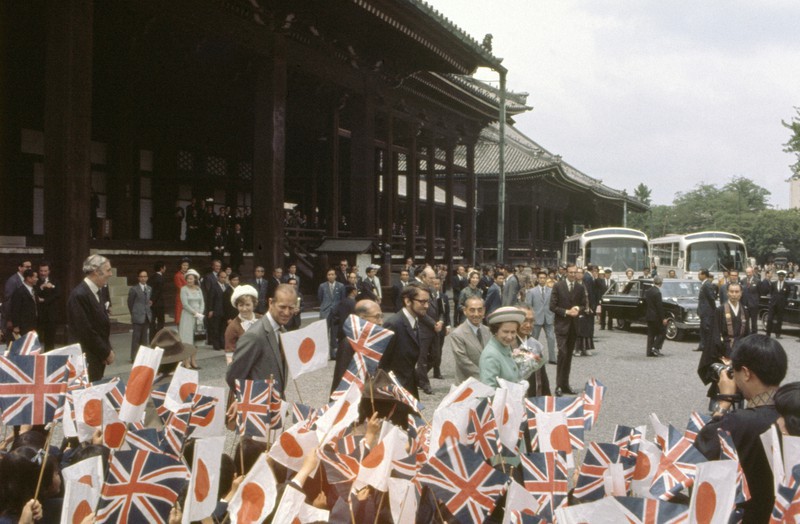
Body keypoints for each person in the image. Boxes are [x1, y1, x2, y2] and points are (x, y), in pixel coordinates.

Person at [694, 334, 787, 523]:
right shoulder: (791, 413)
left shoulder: (737, 423)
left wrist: (725, 400)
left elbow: (702, 451)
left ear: (745, 373)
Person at [226, 283, 297, 397]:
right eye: (282, 307)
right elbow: (233, 376)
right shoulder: (255, 335)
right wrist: (249, 400)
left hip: (276, 404)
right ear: (271, 303)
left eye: (291, 308)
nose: (287, 312)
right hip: (258, 408)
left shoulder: (282, 330)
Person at [699, 282, 750, 404]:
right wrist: (719, 354)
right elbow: (715, 333)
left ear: (741, 293)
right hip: (724, 350)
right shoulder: (720, 310)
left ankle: (739, 407)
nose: (734, 294)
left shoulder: (745, 311)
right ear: (727, 293)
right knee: (721, 381)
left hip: (741, 351)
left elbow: (747, 334)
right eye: (731, 292)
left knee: (740, 382)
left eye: (737, 292)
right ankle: (716, 408)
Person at [379, 282, 431, 399]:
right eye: (422, 302)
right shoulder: (394, 324)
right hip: (395, 391)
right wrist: (393, 389)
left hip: (409, 387)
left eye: (428, 301)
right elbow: (382, 363)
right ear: (407, 301)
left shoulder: (415, 320)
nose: (426, 306)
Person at [67, 254, 115, 381]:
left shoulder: (98, 292)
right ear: (96, 272)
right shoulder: (79, 295)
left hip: (97, 356)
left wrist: (107, 349)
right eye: (108, 270)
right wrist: (106, 352)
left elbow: (101, 325)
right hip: (86, 357)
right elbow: (86, 331)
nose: (110, 274)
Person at [549, 263, 588, 396]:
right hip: (561, 325)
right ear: (566, 272)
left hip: (574, 326)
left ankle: (565, 384)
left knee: (569, 356)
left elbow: (583, 304)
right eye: (570, 272)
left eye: (575, 272)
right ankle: (558, 385)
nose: (572, 274)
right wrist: (567, 312)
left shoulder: (580, 287)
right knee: (562, 353)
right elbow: (552, 306)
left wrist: (577, 309)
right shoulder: (558, 286)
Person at [331, 299, 383, 394]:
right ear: (362, 318)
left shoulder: (374, 340)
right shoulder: (349, 343)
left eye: (381, 317)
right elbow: (341, 378)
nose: (381, 322)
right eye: (377, 317)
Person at [443, 296, 491, 384]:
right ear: (465, 311)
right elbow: (463, 362)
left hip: (487, 382)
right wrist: (485, 376)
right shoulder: (458, 334)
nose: (476, 314)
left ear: (484, 311)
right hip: (468, 383)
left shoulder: (488, 331)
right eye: (472, 310)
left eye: (480, 310)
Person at [479, 306, 527, 388]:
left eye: (513, 332)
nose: (509, 337)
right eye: (505, 332)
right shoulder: (490, 355)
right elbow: (488, 393)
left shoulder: (504, 346)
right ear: (495, 330)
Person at [516, 303, 551, 396]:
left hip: (536, 396)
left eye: (531, 321)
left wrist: (547, 397)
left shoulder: (534, 344)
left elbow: (543, 376)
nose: (528, 325)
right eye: (524, 321)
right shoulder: (510, 345)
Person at [224, 284, 260, 366]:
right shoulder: (232, 327)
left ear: (254, 304)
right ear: (236, 306)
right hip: (243, 365)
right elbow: (229, 352)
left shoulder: (262, 320)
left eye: (247, 305)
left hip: (261, 364)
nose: (244, 309)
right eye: (241, 305)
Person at [527, 271, 557, 365]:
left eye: (544, 278)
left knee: (551, 338)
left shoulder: (551, 291)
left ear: (546, 278)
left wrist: (554, 315)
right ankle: (532, 357)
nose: (542, 279)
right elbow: (528, 306)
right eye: (540, 278)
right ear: (537, 279)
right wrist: (530, 318)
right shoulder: (532, 291)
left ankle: (552, 358)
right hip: (536, 318)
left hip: (548, 317)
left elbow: (554, 304)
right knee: (534, 339)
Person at [179, 269, 204, 370]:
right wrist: (195, 313)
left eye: (191, 278)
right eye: (188, 278)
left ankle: (193, 361)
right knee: (187, 339)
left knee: (196, 339)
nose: (189, 280)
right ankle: (186, 361)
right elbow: (185, 304)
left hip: (198, 317)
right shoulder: (183, 289)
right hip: (188, 316)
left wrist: (200, 313)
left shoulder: (198, 289)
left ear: (195, 279)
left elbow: (202, 302)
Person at [126, 269, 152, 362]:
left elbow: (148, 301)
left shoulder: (149, 288)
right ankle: (134, 357)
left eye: (145, 276)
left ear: (147, 278)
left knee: (145, 338)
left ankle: (144, 357)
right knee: (136, 338)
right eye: (141, 276)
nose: (143, 278)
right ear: (138, 278)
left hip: (146, 316)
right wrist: (134, 312)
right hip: (137, 315)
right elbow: (130, 302)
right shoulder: (134, 289)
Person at [329, 284, 358, 360]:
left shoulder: (341, 302)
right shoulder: (354, 303)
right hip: (352, 329)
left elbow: (336, 316)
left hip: (341, 329)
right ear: (353, 292)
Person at [35, 261, 59, 351]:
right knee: (36, 339)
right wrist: (42, 287)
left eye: (45, 271)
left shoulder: (55, 281)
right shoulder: (36, 281)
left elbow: (58, 294)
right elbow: (34, 293)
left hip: (51, 315)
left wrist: (45, 300)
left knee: (50, 340)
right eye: (41, 271)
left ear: (49, 271)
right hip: (39, 316)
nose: (43, 273)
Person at [8, 268, 38, 340]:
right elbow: (15, 309)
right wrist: (16, 326)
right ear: (29, 278)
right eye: (35, 277)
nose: (37, 279)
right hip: (23, 326)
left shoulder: (34, 290)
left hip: (33, 324)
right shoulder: (19, 292)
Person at [574, 267, 595, 357]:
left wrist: (591, 307)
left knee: (587, 330)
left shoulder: (586, 284)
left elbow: (591, 296)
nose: (579, 275)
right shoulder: (573, 285)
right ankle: (577, 349)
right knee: (577, 331)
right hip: (576, 310)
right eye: (577, 273)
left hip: (586, 310)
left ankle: (586, 348)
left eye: (581, 273)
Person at [644, 276, 667, 357]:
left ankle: (649, 351)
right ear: (661, 283)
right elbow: (659, 307)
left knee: (651, 334)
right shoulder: (657, 292)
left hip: (649, 315)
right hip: (656, 316)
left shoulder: (649, 291)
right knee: (662, 332)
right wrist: (663, 318)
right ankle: (655, 347)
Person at [205, 270, 228, 350]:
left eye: (225, 277)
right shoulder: (214, 286)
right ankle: (216, 345)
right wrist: (210, 310)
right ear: (218, 277)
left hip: (224, 311)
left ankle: (222, 343)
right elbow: (210, 299)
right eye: (221, 277)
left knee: (223, 328)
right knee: (216, 328)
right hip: (216, 310)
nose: (223, 279)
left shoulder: (226, 286)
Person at [696, 268, 717, 354]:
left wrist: (713, 309)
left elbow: (711, 298)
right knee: (703, 329)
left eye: (699, 274)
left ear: (704, 275)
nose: (698, 276)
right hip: (703, 311)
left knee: (706, 328)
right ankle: (702, 345)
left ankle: (707, 346)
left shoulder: (707, 284)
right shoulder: (704, 284)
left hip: (707, 311)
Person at [767, 269, 790, 339]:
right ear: (778, 276)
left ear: (784, 277)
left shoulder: (787, 285)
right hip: (773, 304)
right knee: (770, 319)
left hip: (781, 305)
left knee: (779, 320)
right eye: (780, 276)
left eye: (782, 276)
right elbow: (771, 293)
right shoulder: (773, 284)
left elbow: (787, 295)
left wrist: (784, 303)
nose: (781, 277)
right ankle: (768, 334)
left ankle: (778, 334)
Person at [741, 267, 760, 334]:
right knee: (745, 322)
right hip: (745, 305)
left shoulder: (757, 281)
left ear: (752, 272)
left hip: (754, 305)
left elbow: (759, 292)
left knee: (754, 322)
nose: (748, 274)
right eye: (747, 272)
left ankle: (754, 335)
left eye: (749, 272)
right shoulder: (743, 281)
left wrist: (756, 302)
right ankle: (747, 335)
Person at [149, 261, 166, 337]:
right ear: (161, 268)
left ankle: (152, 337)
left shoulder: (151, 277)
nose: (165, 268)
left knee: (152, 322)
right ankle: (159, 337)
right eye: (164, 267)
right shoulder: (161, 278)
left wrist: (151, 300)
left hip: (152, 303)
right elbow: (158, 291)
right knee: (161, 321)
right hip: (159, 303)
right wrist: (153, 300)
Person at [173, 257, 190, 326]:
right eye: (183, 265)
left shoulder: (189, 275)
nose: (185, 267)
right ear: (180, 266)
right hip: (181, 298)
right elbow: (180, 288)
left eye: (186, 265)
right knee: (180, 319)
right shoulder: (177, 275)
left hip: (189, 298)